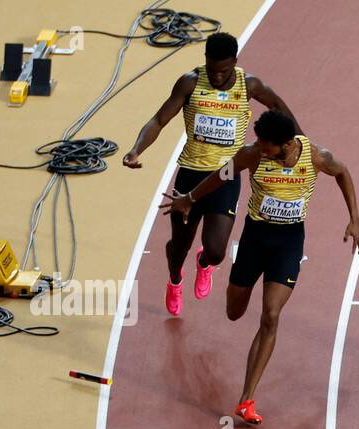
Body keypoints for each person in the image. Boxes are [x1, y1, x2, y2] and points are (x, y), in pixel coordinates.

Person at [160, 110, 359, 424]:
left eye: (266, 144)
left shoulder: (315, 156)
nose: (259, 147)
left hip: (288, 242)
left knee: (270, 315)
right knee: (234, 312)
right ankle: (205, 260)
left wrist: (354, 219)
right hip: (255, 238)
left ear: (285, 144)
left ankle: (246, 399)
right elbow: (221, 175)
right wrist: (189, 197)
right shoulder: (252, 156)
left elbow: (343, 172)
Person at [123, 31, 303, 316]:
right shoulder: (190, 83)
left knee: (217, 251)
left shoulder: (249, 84)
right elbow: (159, 119)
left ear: (234, 61)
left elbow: (278, 106)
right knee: (179, 246)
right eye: (212, 69)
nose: (217, 77)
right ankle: (175, 279)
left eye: (224, 71)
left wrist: (301, 141)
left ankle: (204, 263)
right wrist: (136, 150)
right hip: (190, 174)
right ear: (204, 59)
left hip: (226, 176)